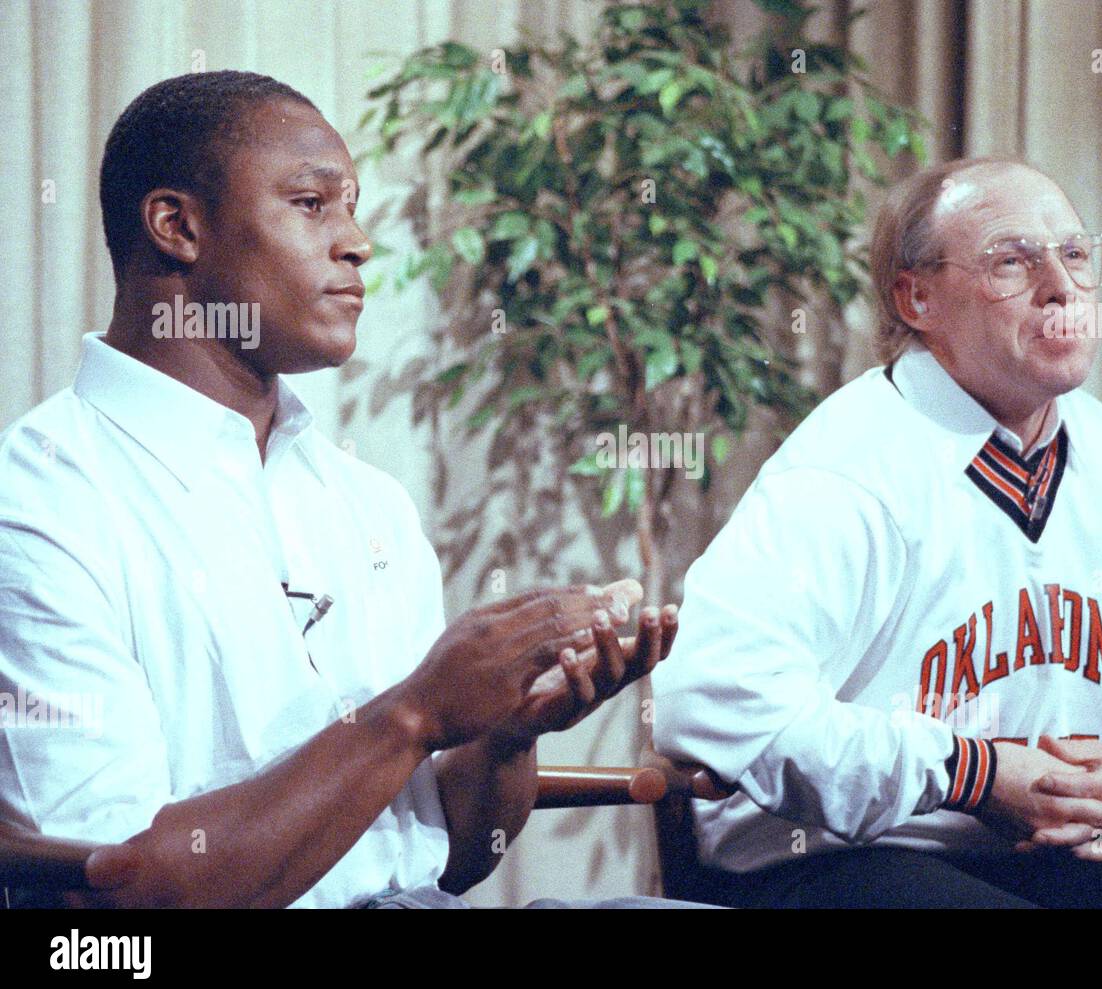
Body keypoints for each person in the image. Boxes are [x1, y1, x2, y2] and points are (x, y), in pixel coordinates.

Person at [0, 71, 684, 909]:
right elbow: (113, 901)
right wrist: (414, 715)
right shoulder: (40, 503)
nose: (357, 242)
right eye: (313, 204)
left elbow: (455, 864)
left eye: (352, 206)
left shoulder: (368, 503)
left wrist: (506, 734)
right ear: (177, 225)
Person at [651, 156, 1102, 908]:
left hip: (1036, 859)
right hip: (829, 863)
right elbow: (711, 697)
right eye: (1012, 262)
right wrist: (973, 772)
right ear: (916, 295)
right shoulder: (842, 472)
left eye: (1076, 254)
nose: (1062, 286)